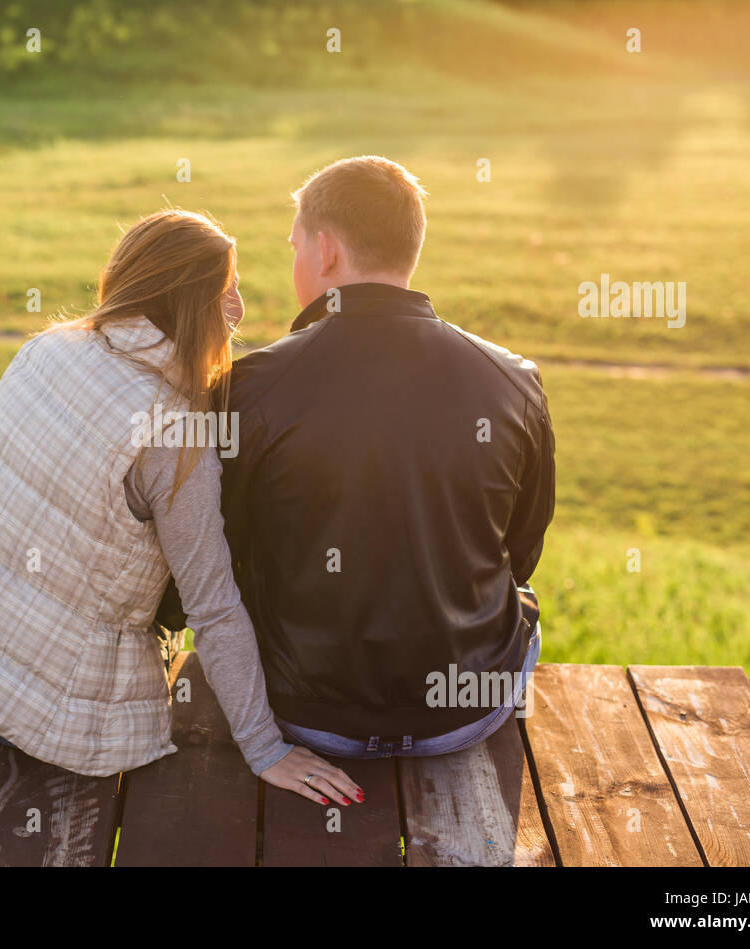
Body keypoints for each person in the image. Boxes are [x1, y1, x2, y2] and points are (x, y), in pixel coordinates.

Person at [0, 209, 363, 807]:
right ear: (192, 304)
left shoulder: (47, 348)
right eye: (227, 292)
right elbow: (213, 607)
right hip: (33, 717)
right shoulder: (173, 433)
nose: (237, 310)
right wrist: (266, 748)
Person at [218, 156, 555, 759]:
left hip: (303, 715)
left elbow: (225, 560)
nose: (295, 262)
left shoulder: (252, 386)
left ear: (325, 252)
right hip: (468, 712)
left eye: (294, 247)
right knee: (524, 603)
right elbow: (521, 553)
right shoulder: (513, 379)